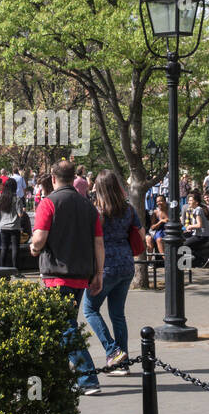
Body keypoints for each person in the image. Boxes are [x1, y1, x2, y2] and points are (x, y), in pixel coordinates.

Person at [28, 160, 104, 395]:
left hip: (56, 273)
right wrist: (98, 273)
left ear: (53, 178)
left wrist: (33, 248)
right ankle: (61, 376)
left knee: (65, 326)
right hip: (81, 274)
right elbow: (99, 243)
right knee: (63, 323)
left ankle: (88, 378)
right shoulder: (88, 206)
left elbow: (39, 239)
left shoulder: (48, 203)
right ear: (74, 178)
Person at [82, 170, 140, 376]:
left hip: (105, 266)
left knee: (89, 309)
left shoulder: (97, 211)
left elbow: (91, 239)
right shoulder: (129, 210)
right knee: (117, 314)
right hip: (126, 264)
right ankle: (122, 363)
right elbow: (140, 233)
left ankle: (112, 351)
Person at [0, 178, 24, 268]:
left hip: (3, 227)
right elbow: (20, 214)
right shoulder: (17, 199)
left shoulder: (2, 199)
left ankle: (2, 269)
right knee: (15, 248)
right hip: (14, 227)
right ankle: (16, 269)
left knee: (4, 248)